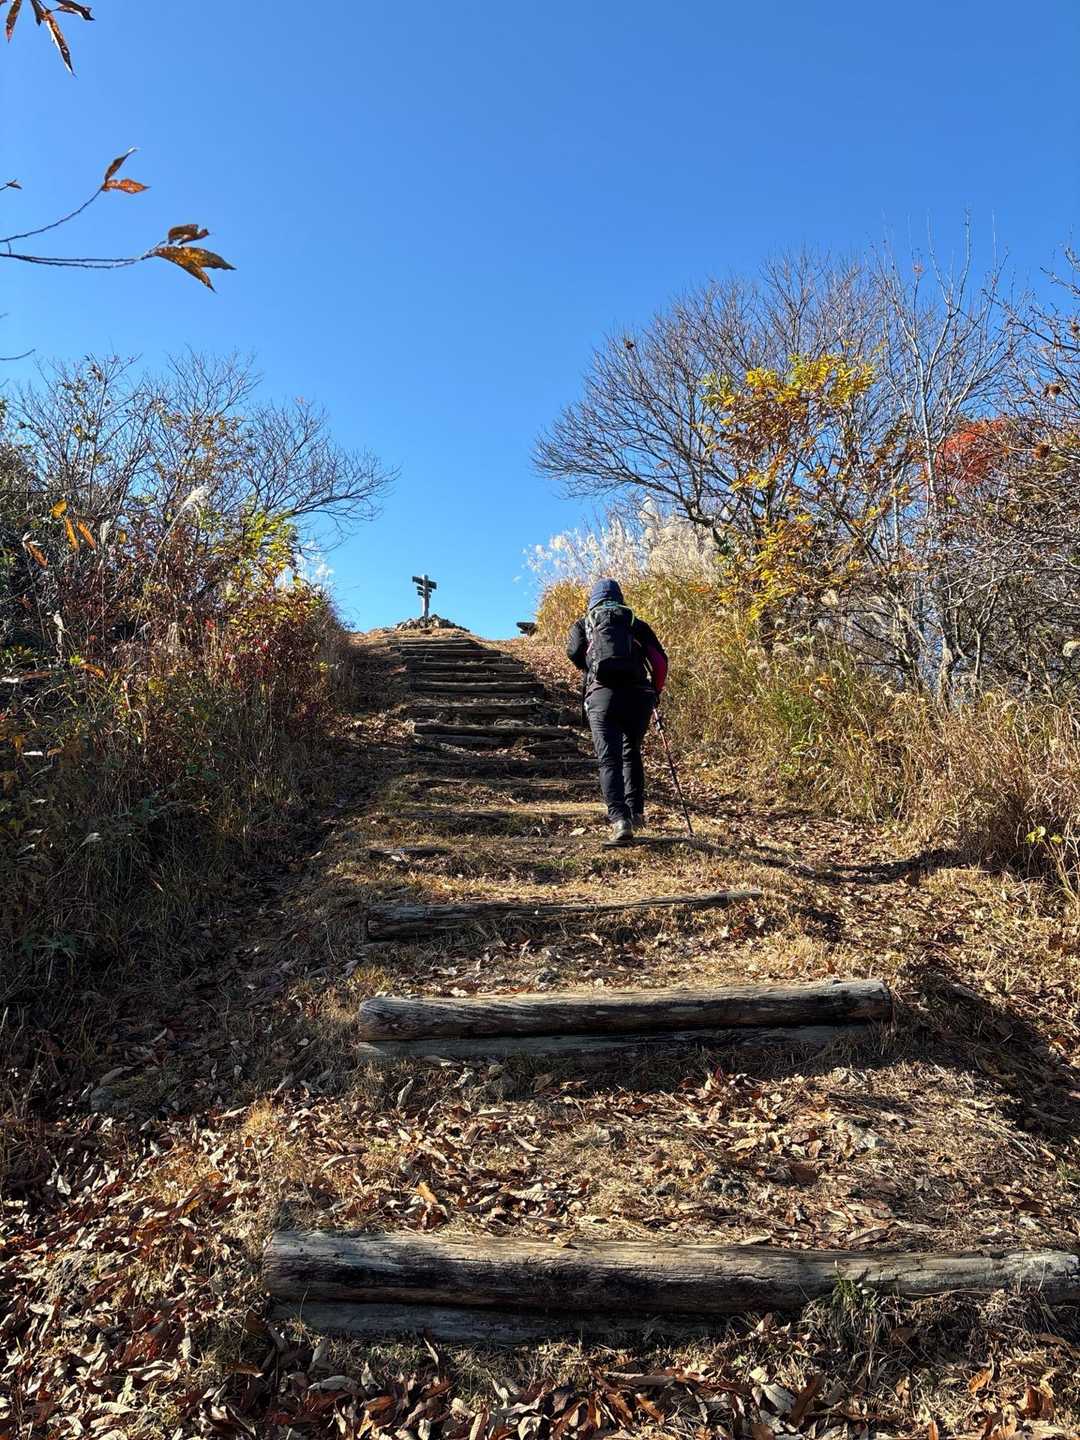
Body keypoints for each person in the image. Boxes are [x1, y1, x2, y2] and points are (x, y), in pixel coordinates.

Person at [566, 578, 668, 846]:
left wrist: (592, 664)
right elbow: (659, 662)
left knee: (608, 759)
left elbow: (573, 652)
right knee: (631, 751)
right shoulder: (635, 622)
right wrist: (655, 691)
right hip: (638, 696)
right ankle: (636, 813)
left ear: (593, 600)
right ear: (620, 598)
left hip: (602, 696)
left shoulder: (584, 623)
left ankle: (620, 821)